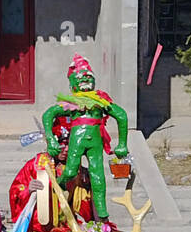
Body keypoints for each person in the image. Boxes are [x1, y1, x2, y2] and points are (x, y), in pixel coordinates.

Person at [41, 54, 129, 223]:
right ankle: (57, 189)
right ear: (73, 82)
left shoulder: (101, 100)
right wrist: (51, 139)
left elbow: (122, 115)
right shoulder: (72, 101)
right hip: (77, 140)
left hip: (94, 140)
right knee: (70, 171)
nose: (86, 80)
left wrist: (122, 143)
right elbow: (48, 114)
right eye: (81, 77)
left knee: (98, 175)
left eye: (89, 77)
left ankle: (102, 214)